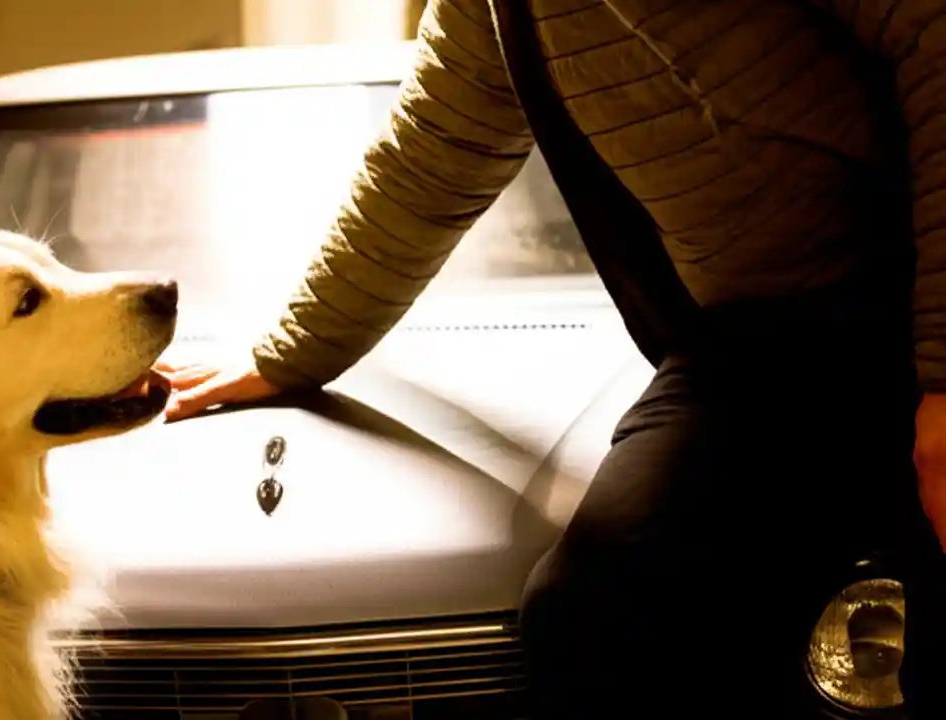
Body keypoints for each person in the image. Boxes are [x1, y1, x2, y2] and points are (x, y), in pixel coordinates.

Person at [158, 0, 946, 716]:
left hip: (910, 289)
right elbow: (427, 162)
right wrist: (288, 354)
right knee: (591, 612)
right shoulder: (495, 9)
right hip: (753, 340)